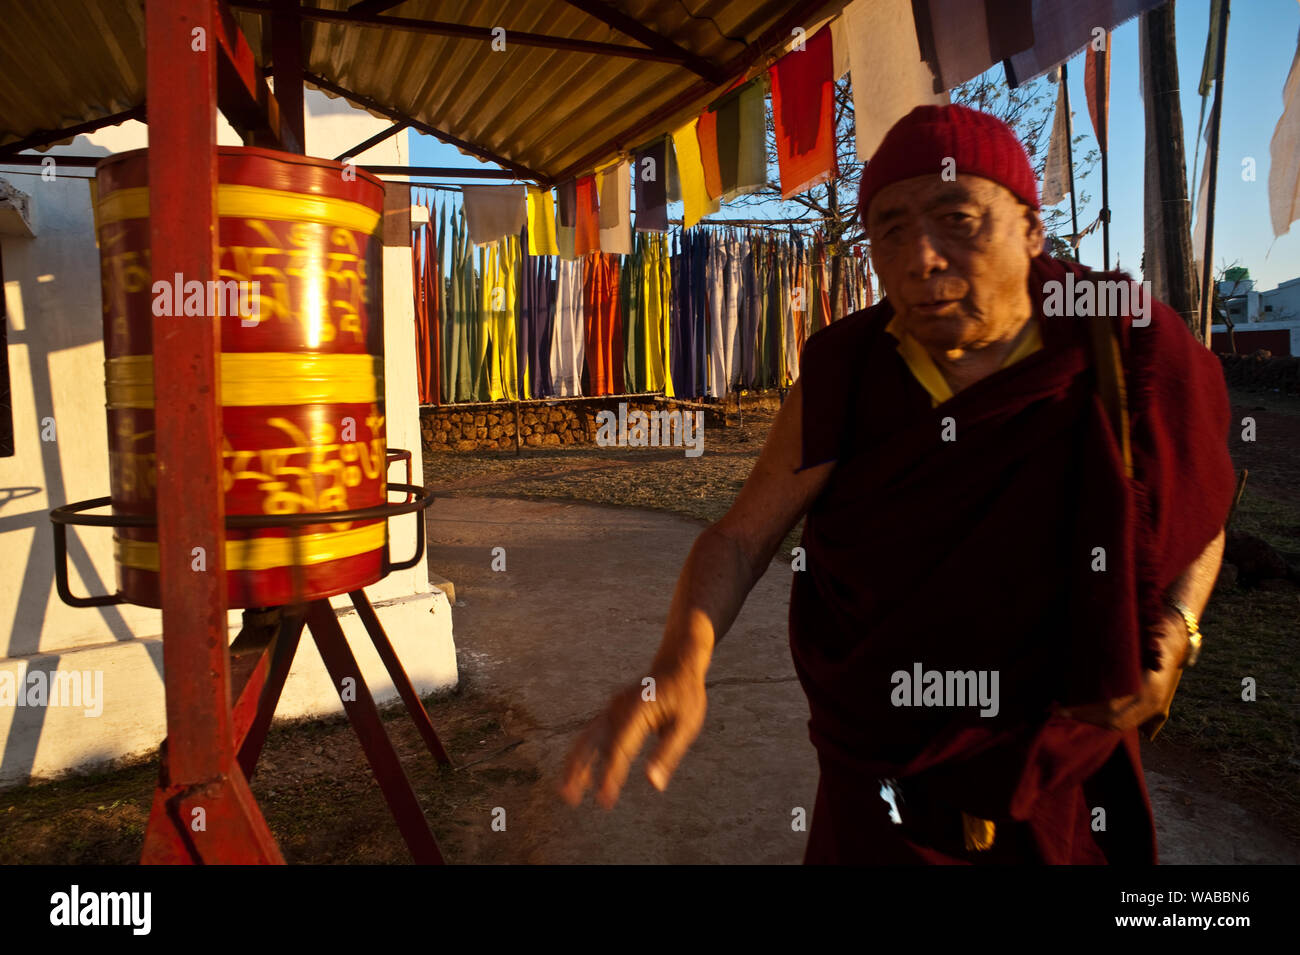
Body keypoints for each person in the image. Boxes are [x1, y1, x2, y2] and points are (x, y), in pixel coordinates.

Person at [558, 104, 1235, 864]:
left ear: (1031, 228)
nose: (921, 257)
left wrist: (1180, 623)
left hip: (1060, 790)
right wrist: (680, 658)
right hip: (879, 785)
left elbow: (1201, 493)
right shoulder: (844, 369)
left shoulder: (1116, 341)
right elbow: (741, 538)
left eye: (957, 218)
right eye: (890, 228)